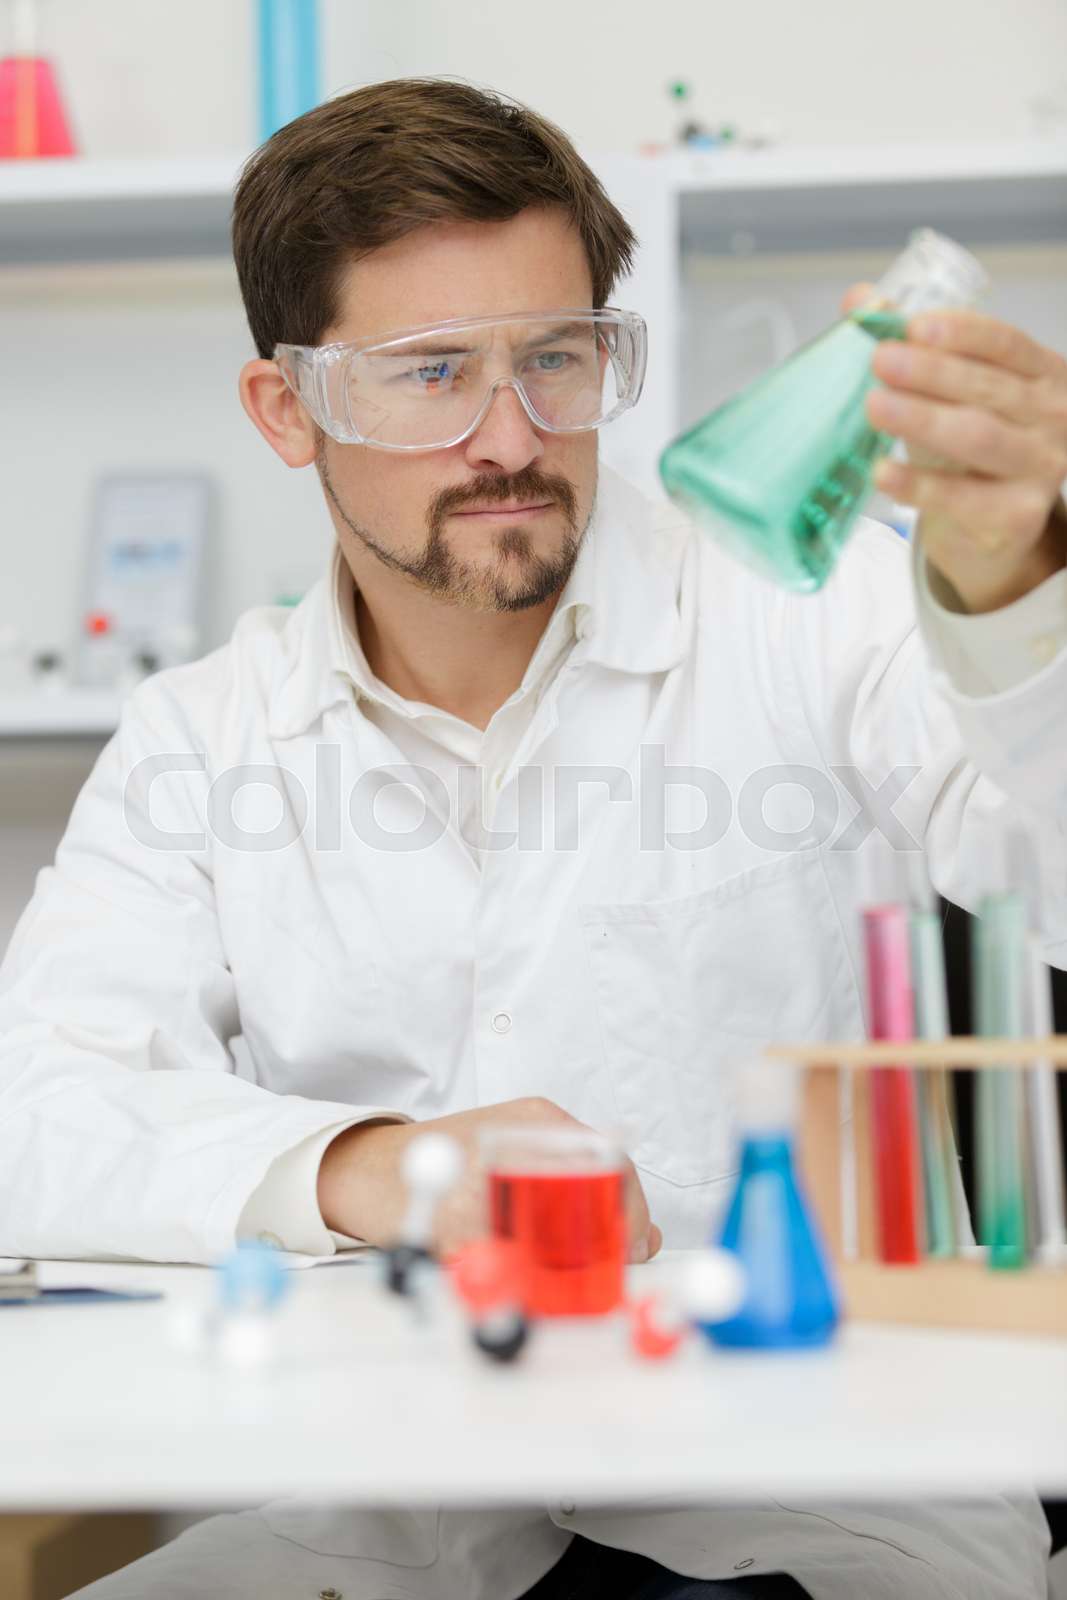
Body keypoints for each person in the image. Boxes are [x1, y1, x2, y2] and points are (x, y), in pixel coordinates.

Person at [3, 77, 1066, 1600]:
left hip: (814, 1490)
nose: (512, 436)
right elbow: (36, 1112)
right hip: (387, 1508)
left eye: (556, 359)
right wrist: (379, 1170)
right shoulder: (204, 737)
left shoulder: (815, 613)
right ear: (287, 409)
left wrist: (1021, 596)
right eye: (432, 372)